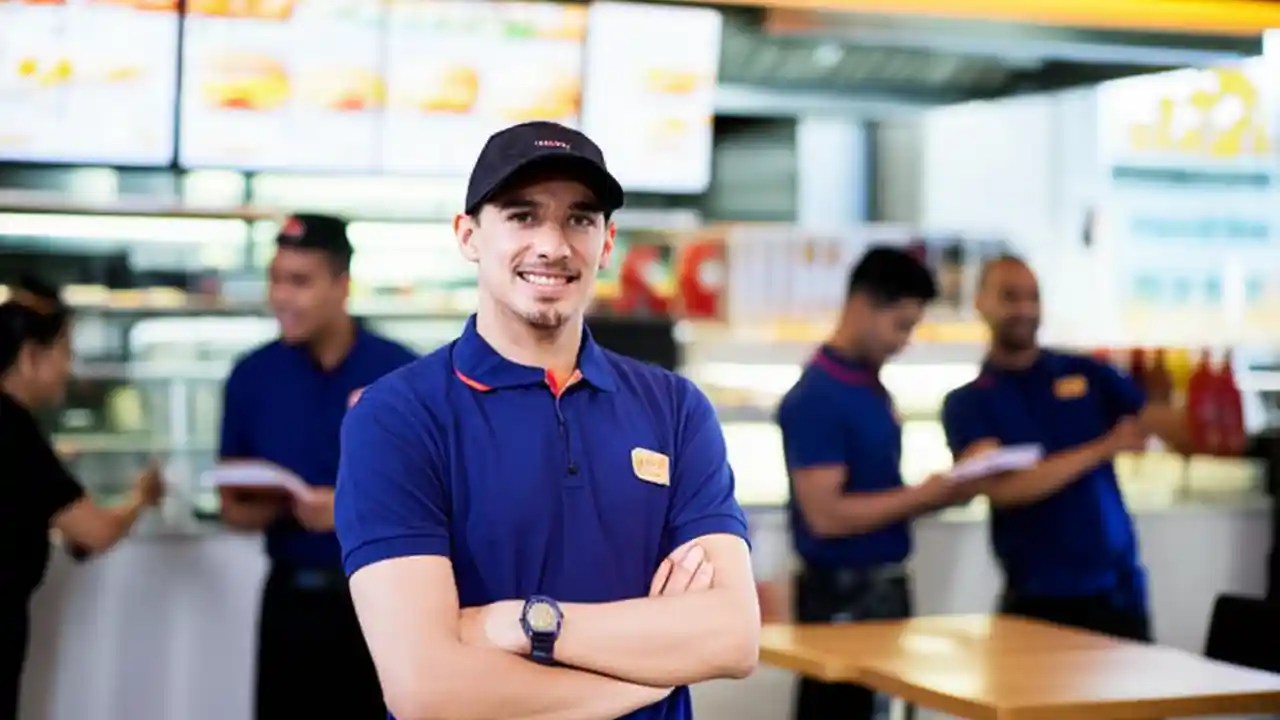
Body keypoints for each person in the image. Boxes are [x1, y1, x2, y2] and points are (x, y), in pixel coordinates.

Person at [334, 121, 760, 720]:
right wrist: (645, 681)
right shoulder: (397, 417)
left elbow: (733, 637)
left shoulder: (675, 409)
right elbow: (426, 688)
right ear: (468, 235)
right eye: (522, 215)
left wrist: (523, 622)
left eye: (580, 219)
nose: (553, 246)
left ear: (606, 242)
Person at [217, 214, 416, 719]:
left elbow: (439, 503)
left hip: (381, 607)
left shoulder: (400, 375)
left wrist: (347, 510)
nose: (282, 297)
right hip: (290, 601)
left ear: (342, 286)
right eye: (276, 279)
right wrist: (280, 506)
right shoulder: (251, 377)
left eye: (300, 282)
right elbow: (231, 509)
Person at [777, 247, 985, 720]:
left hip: (884, 591)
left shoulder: (868, 384)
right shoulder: (818, 397)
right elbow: (825, 516)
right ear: (862, 305)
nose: (904, 341)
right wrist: (923, 495)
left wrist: (945, 491)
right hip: (841, 601)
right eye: (901, 325)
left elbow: (879, 492)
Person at [941, 255, 1189, 641]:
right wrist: (1102, 447)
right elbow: (1007, 489)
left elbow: (1165, 426)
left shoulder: (1087, 372)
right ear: (980, 303)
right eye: (1010, 296)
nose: (1024, 309)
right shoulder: (969, 403)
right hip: (1036, 601)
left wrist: (1176, 396)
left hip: (1117, 594)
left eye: (1032, 297)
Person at [1, 277, 163, 718]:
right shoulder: (14, 432)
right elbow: (94, 530)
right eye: (64, 351)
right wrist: (141, 497)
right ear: (31, 355)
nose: (69, 368)